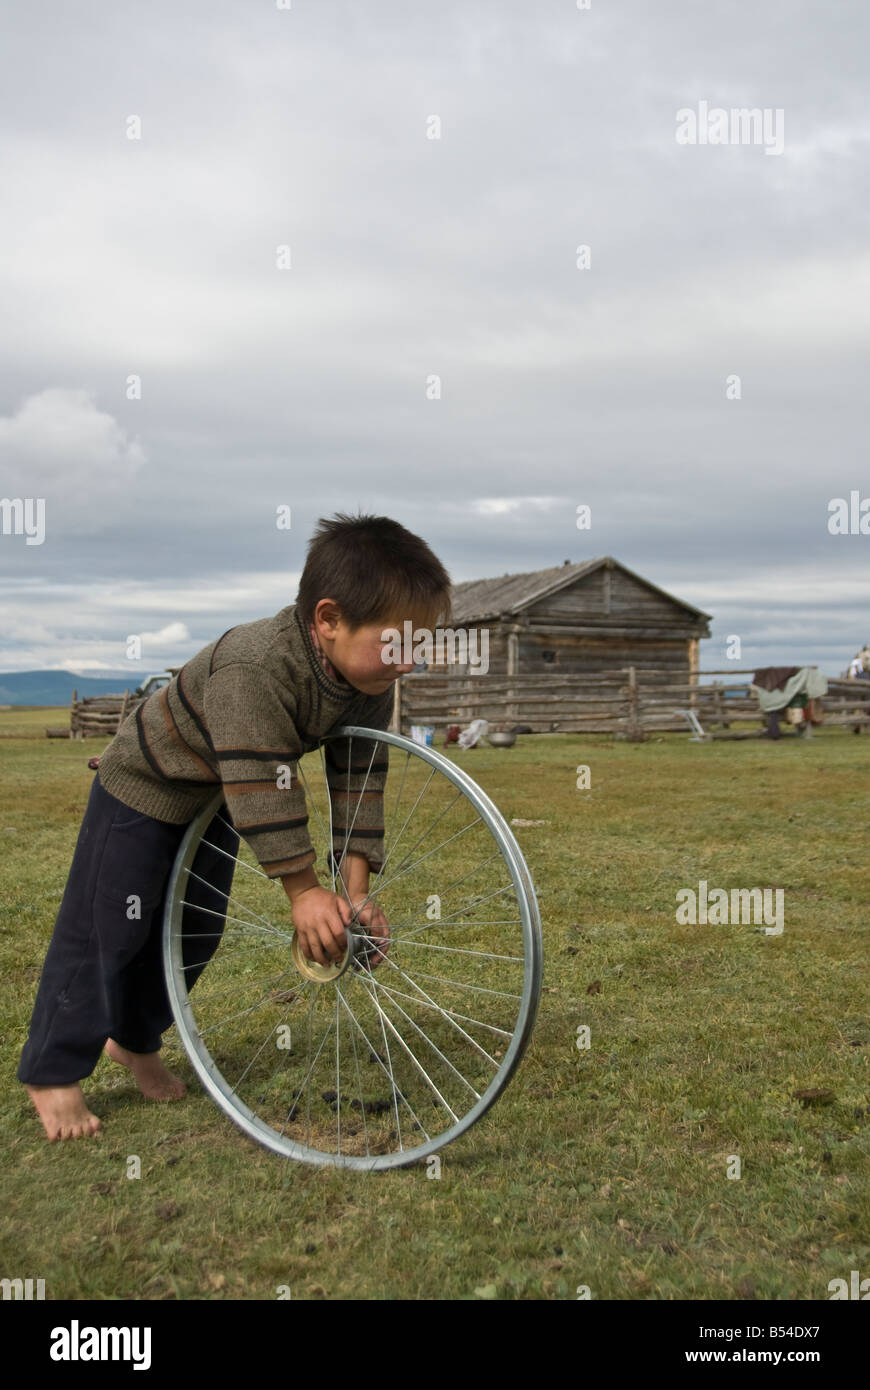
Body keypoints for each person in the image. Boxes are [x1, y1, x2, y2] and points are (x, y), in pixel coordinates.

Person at [18, 513, 452, 1141]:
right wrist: (304, 892)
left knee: (195, 929)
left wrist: (354, 893)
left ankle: (135, 1041)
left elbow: (359, 780)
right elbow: (261, 781)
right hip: (145, 786)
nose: (409, 661)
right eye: (395, 643)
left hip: (214, 799)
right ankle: (53, 1070)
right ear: (327, 620)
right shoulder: (255, 668)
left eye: (419, 644)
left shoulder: (369, 680)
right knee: (110, 928)